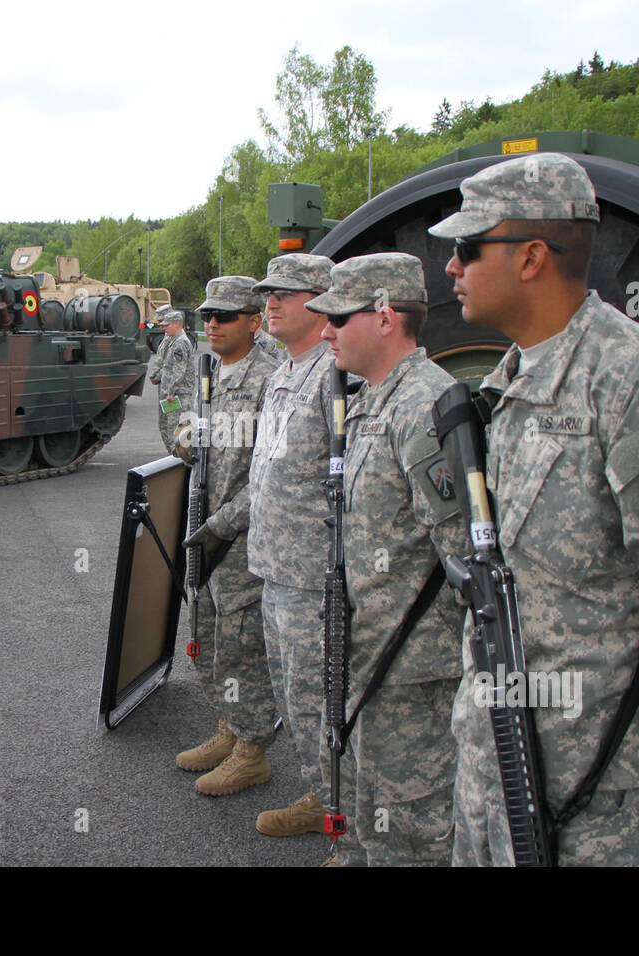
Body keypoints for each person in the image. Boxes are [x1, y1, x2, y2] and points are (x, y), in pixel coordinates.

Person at [430, 152, 639, 866]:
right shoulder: (510, 382)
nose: (451, 267)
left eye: (468, 248)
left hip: (590, 790)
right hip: (493, 762)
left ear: (531, 257)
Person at [309, 253, 462, 866]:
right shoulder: (374, 399)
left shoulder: (424, 408)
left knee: (412, 832)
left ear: (384, 317)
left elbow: (464, 553)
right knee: (373, 814)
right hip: (372, 653)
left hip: (414, 667)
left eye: (338, 318)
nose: (326, 332)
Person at [174, 276, 280, 796]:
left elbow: (273, 473)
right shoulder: (209, 373)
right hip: (206, 526)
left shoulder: (270, 380)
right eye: (206, 316)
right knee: (209, 639)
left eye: (224, 316)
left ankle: (251, 751)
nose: (212, 324)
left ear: (254, 321)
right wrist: (185, 436)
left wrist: (224, 523)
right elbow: (191, 434)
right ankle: (229, 726)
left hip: (241, 536)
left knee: (242, 646)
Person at [245, 253, 336, 837]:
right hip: (274, 568)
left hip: (313, 578)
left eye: (285, 292)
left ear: (323, 302)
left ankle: (347, 820)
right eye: (268, 293)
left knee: (319, 702)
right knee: (293, 697)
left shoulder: (336, 375)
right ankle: (322, 795)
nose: (271, 302)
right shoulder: (286, 370)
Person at [150, 308, 196, 455]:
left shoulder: (180, 343)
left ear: (176, 324)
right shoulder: (173, 341)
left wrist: (170, 392)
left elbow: (178, 371)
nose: (164, 328)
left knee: (174, 427)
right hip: (172, 393)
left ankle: (179, 457)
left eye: (167, 325)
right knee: (166, 425)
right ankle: (174, 455)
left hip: (176, 395)